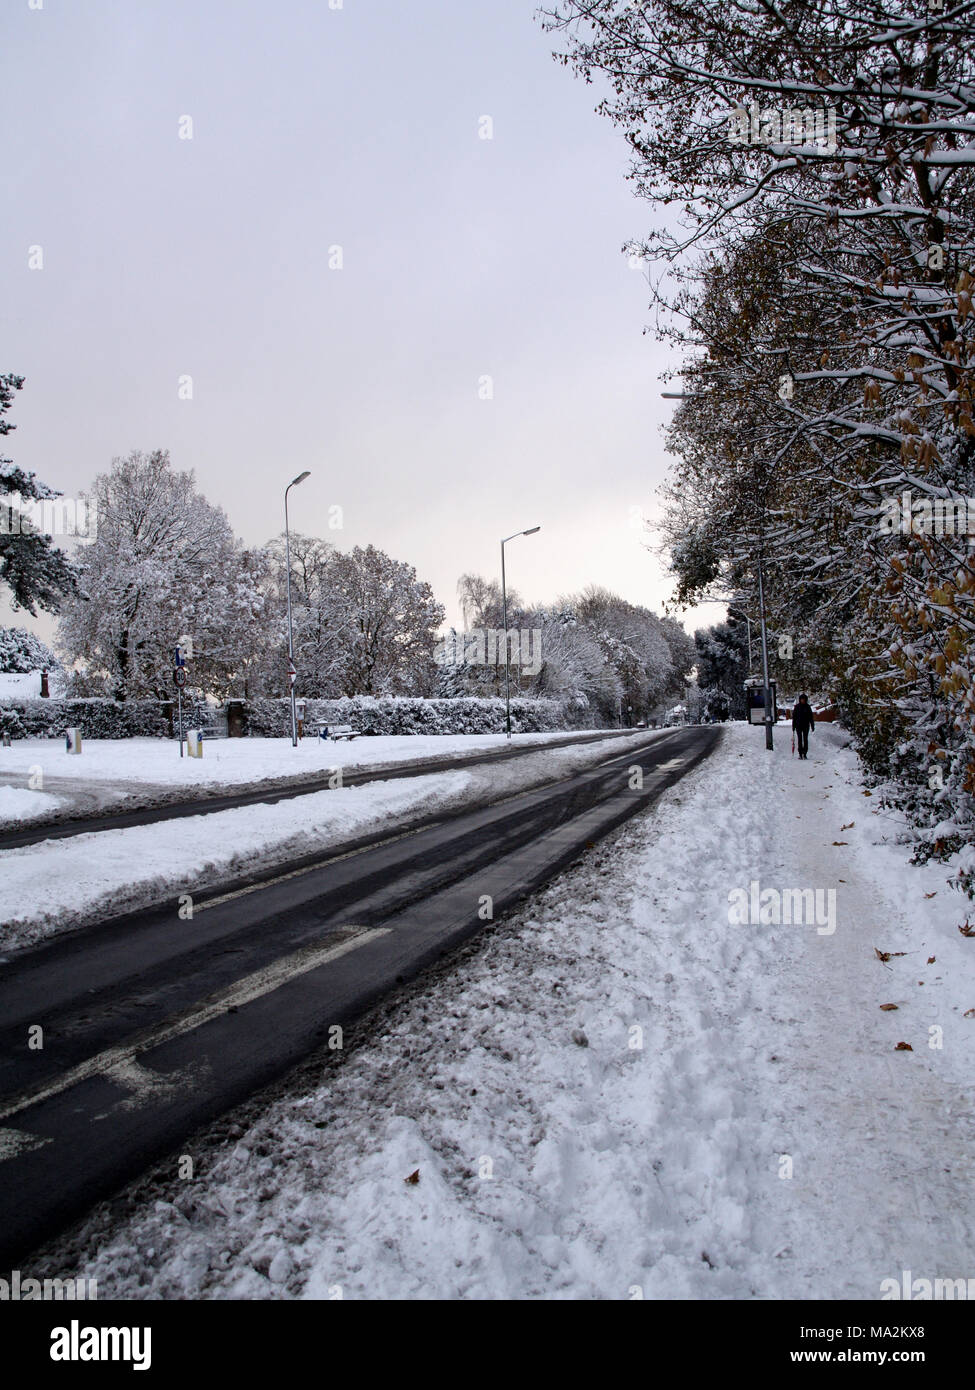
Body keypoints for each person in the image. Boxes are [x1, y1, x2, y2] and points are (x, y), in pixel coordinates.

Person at [792, 693, 815, 759]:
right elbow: (794, 717)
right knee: (799, 739)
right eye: (802, 699)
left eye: (804, 699)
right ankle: (800, 753)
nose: (803, 700)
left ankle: (805, 753)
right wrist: (793, 727)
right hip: (798, 726)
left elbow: (811, 717)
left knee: (805, 739)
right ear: (800, 700)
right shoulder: (797, 707)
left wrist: (812, 725)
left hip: (806, 726)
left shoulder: (808, 707)